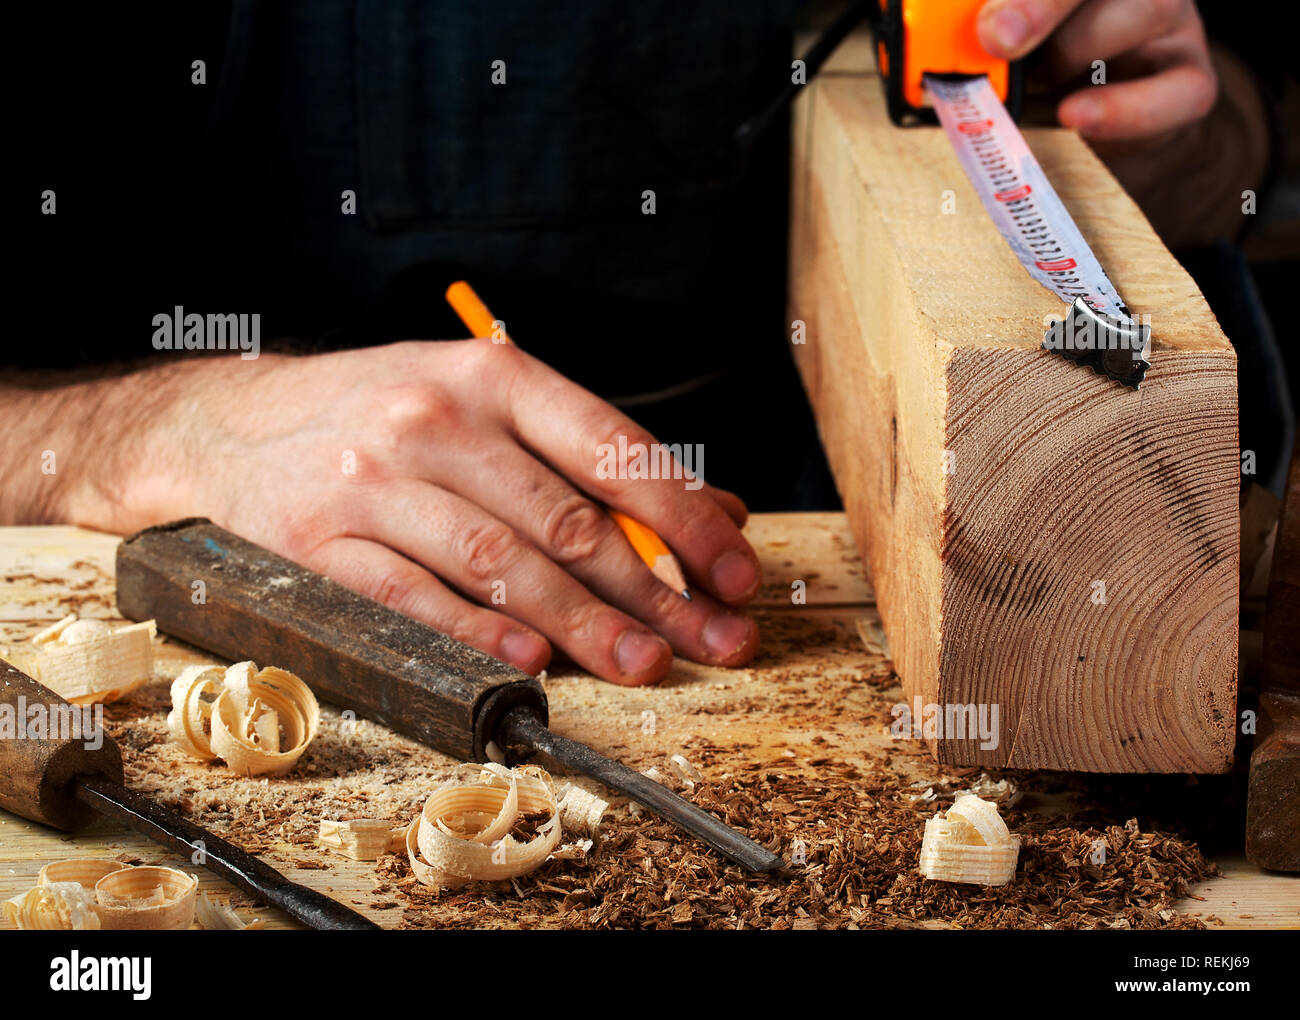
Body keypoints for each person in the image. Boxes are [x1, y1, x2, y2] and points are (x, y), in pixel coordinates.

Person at [3, 0, 1273, 685]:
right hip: (234, 570)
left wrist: (1152, 136)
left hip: (845, 556)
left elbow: (1239, 173)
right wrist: (135, 433)